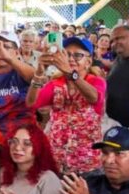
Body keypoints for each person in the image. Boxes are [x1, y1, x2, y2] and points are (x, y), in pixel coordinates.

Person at [26, 37, 105, 174]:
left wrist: (70, 73)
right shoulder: (56, 83)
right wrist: (39, 73)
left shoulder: (96, 81)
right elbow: (32, 103)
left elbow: (94, 98)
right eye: (67, 54)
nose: (71, 59)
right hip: (57, 161)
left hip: (88, 163)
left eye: (78, 55)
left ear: (88, 62)